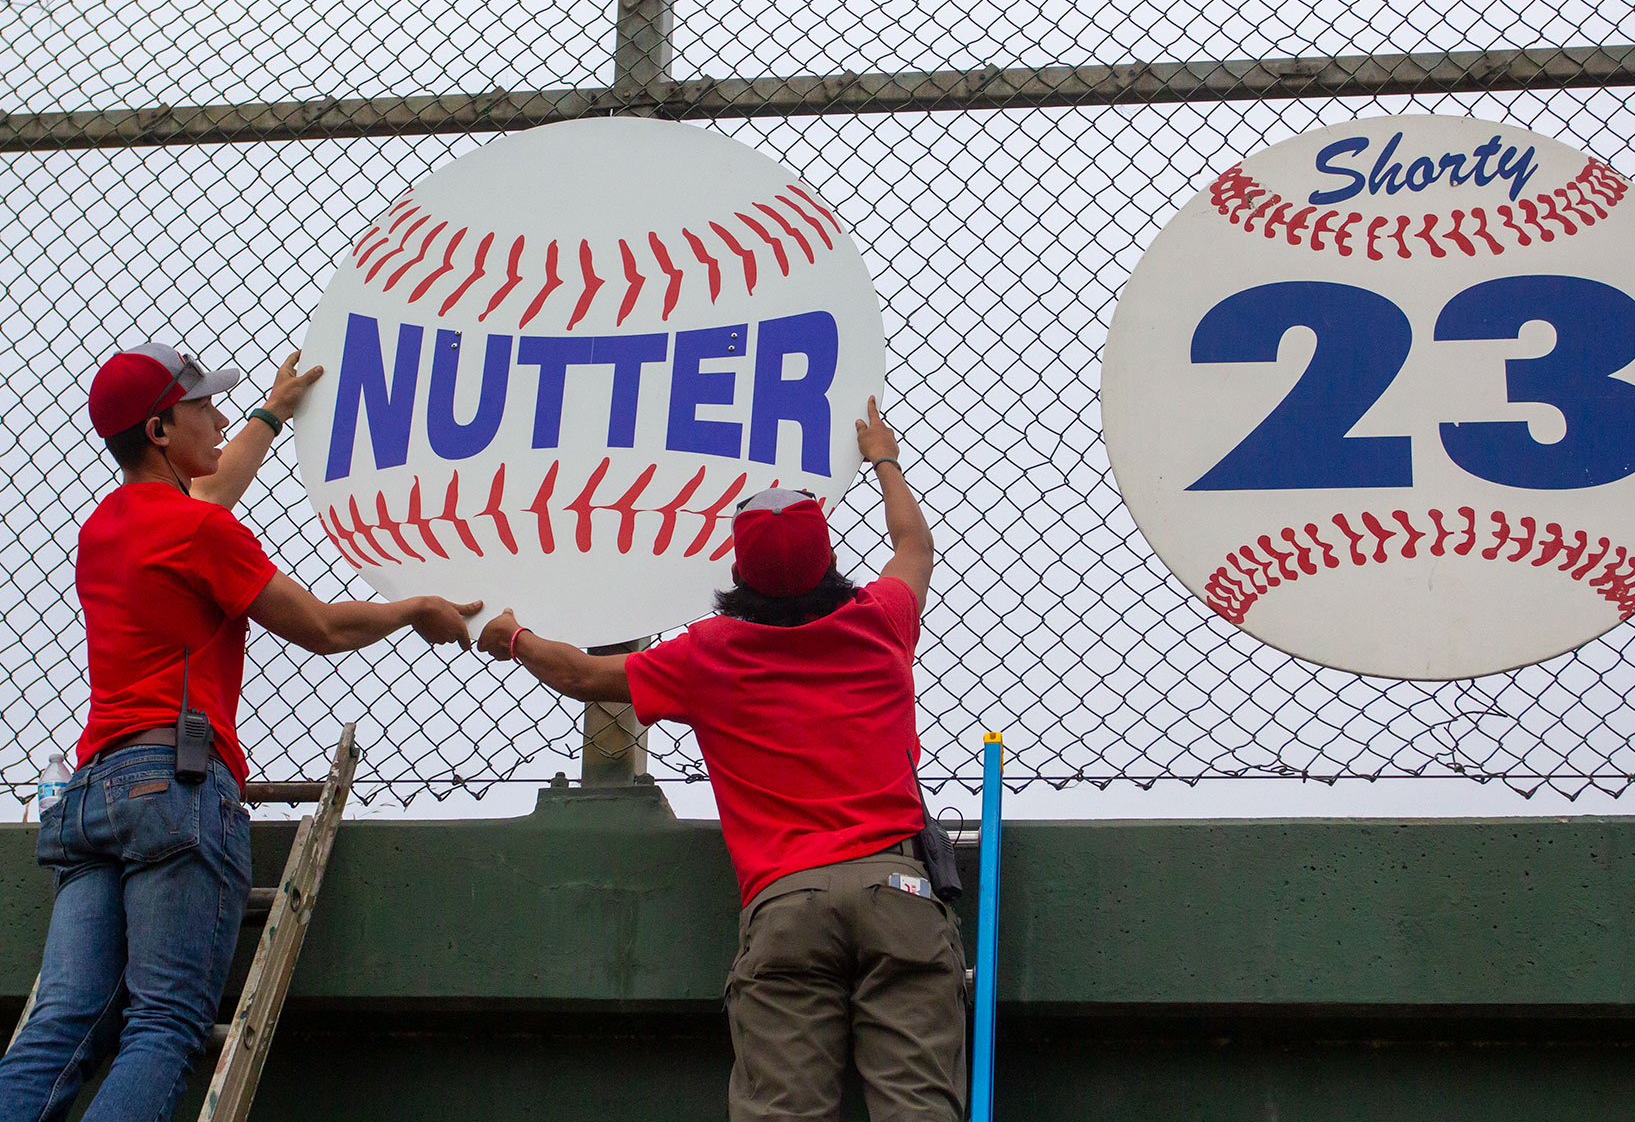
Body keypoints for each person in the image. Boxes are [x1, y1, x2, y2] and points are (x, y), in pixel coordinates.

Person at [0, 341, 480, 1122]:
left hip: (92, 795)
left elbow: (207, 492)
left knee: (60, 1027)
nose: (219, 417)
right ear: (160, 429)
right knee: (164, 1025)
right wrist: (409, 607)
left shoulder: (103, 532)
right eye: (203, 408)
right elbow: (321, 625)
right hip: (175, 789)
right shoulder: (201, 535)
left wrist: (268, 414)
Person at [477, 396, 965, 1122]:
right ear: (828, 557)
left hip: (786, 901)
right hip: (897, 889)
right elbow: (914, 546)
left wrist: (510, 634)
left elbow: (582, 675)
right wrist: (883, 458)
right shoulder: (880, 621)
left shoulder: (710, 654)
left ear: (740, 570)